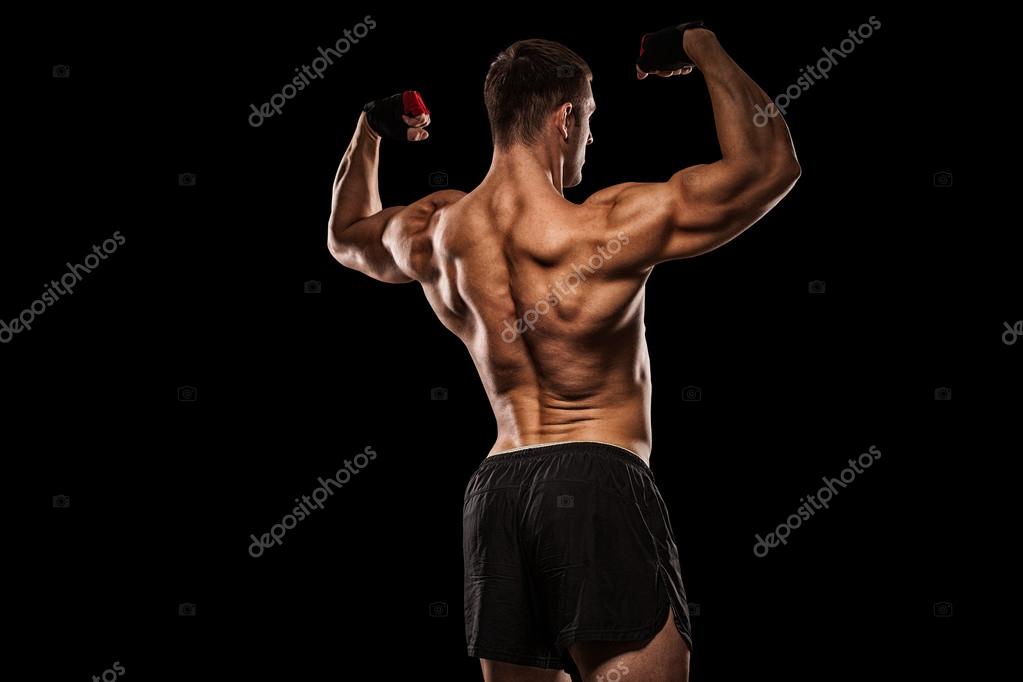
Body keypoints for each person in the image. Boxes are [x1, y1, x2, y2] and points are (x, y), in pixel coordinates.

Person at [328, 22, 799, 682]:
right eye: (590, 119)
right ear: (565, 117)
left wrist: (370, 130)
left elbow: (347, 234)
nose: (591, 137)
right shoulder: (607, 225)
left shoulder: (435, 233)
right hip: (597, 477)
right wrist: (701, 46)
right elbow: (768, 166)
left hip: (497, 492)